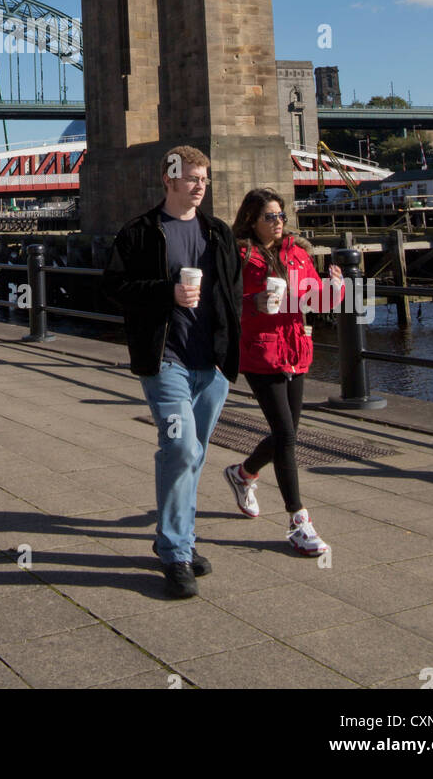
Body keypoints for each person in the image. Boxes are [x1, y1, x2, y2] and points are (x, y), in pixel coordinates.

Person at [103, 145, 241, 600]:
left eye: (204, 178)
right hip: (165, 360)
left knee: (195, 454)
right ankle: (176, 553)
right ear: (168, 179)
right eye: (191, 178)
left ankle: (176, 537)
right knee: (180, 448)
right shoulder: (140, 233)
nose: (200, 186)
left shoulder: (217, 232)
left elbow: (233, 292)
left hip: (212, 366)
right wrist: (168, 293)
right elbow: (115, 287)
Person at [224, 188, 343, 557]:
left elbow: (314, 298)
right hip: (261, 353)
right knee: (287, 437)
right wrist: (251, 302)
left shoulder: (297, 252)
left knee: (286, 434)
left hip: (296, 351)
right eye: (269, 217)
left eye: (280, 216)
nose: (277, 223)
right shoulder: (240, 255)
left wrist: (336, 289)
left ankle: (243, 473)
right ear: (251, 221)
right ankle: (298, 522)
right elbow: (222, 302)